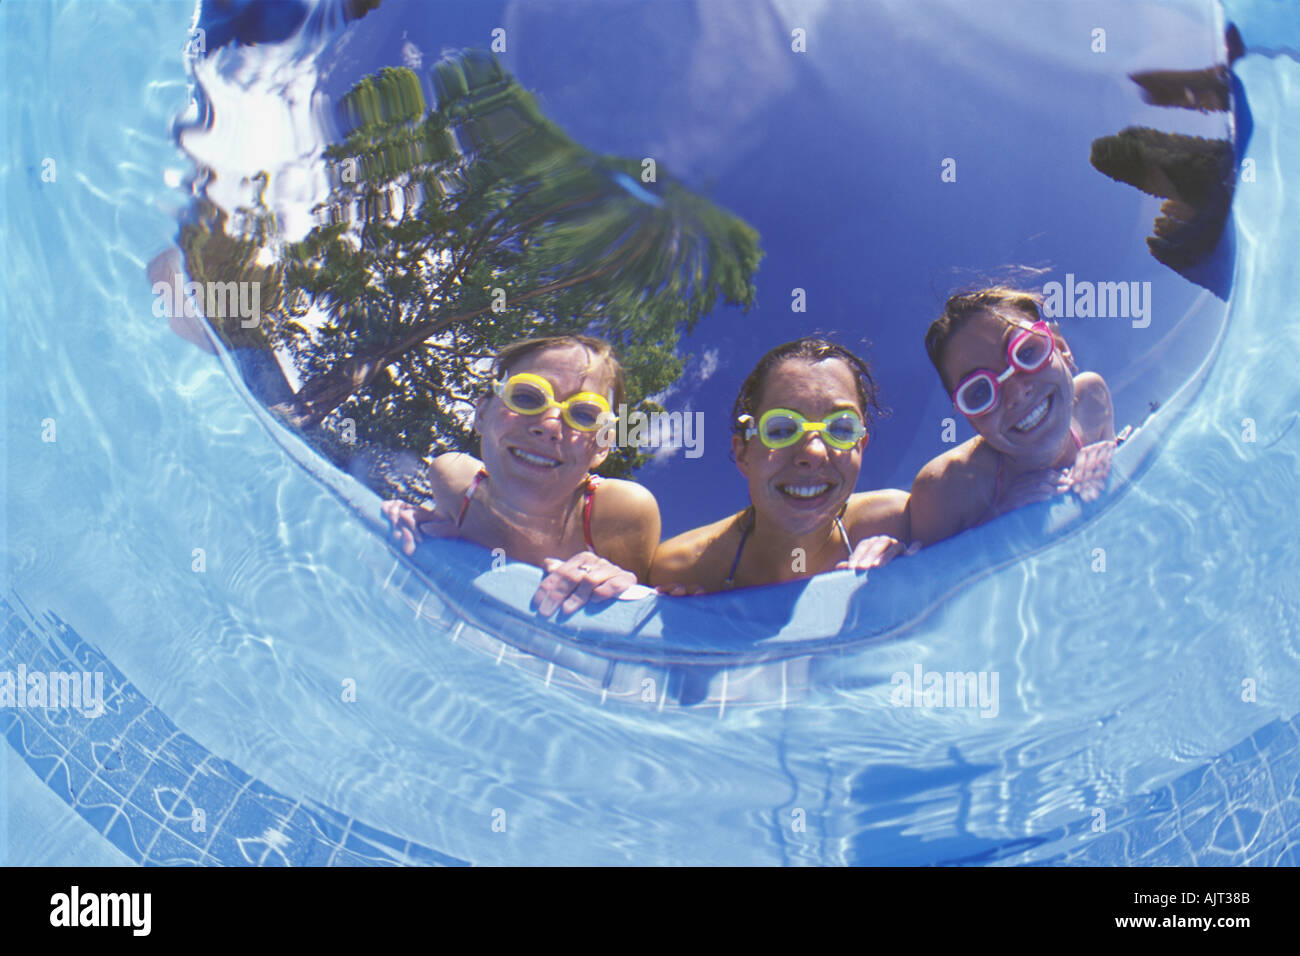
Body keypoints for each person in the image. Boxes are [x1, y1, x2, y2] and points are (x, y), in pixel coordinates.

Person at [382, 334, 660, 616]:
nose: (551, 425)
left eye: (585, 415)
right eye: (526, 396)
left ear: (602, 447)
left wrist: (613, 579)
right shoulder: (453, 480)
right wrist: (415, 522)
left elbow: (638, 623)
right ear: (481, 413)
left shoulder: (619, 514)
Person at [651, 338, 912, 594]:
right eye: (782, 429)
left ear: (860, 446)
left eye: (841, 428)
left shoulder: (903, 523)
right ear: (744, 453)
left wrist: (920, 572)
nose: (814, 452)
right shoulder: (680, 569)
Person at [908, 287, 1117, 546]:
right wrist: (997, 524)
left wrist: (1112, 455)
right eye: (980, 391)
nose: (1016, 393)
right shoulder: (944, 491)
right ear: (970, 418)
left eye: (1027, 352)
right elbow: (929, 579)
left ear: (1060, 347)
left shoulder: (1090, 400)